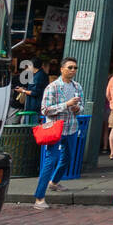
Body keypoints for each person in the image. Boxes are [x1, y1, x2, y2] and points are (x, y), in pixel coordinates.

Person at [34, 56, 84, 210]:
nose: (73, 70)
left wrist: (77, 108)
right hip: (55, 129)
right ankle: (39, 197)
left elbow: (81, 107)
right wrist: (66, 105)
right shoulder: (53, 87)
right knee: (51, 159)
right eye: (70, 67)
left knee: (68, 158)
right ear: (62, 69)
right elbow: (45, 110)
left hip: (71, 127)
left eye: (75, 68)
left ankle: (54, 182)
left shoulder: (77, 87)